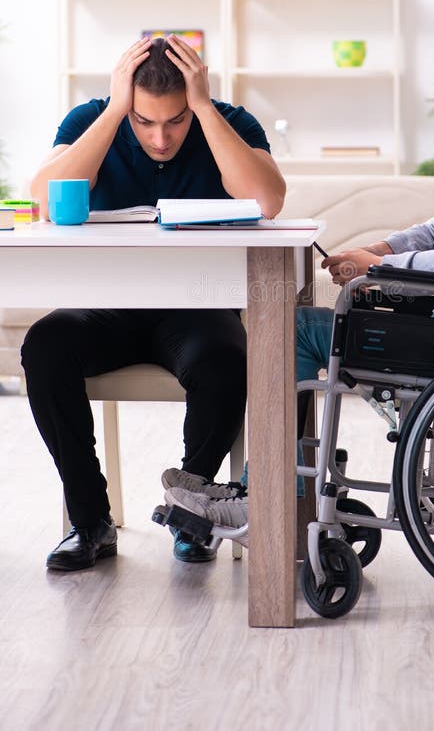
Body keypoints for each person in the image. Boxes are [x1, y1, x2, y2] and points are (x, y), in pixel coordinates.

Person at [161, 64, 434, 531]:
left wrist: (378, 267)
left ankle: (270, 494)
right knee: (320, 321)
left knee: (288, 330)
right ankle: (276, 487)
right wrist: (380, 249)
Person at [22, 35, 285, 570]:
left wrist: (206, 110)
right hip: (107, 306)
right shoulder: (93, 119)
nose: (160, 138)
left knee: (227, 361)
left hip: (198, 309)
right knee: (45, 345)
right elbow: (42, 197)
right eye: (144, 122)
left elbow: (268, 201)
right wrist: (117, 110)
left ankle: (194, 512)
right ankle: (91, 521)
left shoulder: (228, 121)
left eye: (175, 121)